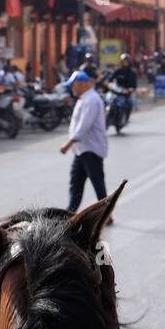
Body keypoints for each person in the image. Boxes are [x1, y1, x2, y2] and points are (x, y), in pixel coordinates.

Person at [61, 70, 111, 219]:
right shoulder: (84, 99)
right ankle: (70, 214)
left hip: (91, 149)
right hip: (82, 149)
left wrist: (68, 144)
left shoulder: (91, 100)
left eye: (73, 86)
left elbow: (84, 126)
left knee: (98, 185)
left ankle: (106, 215)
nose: (72, 89)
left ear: (81, 84)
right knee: (75, 181)